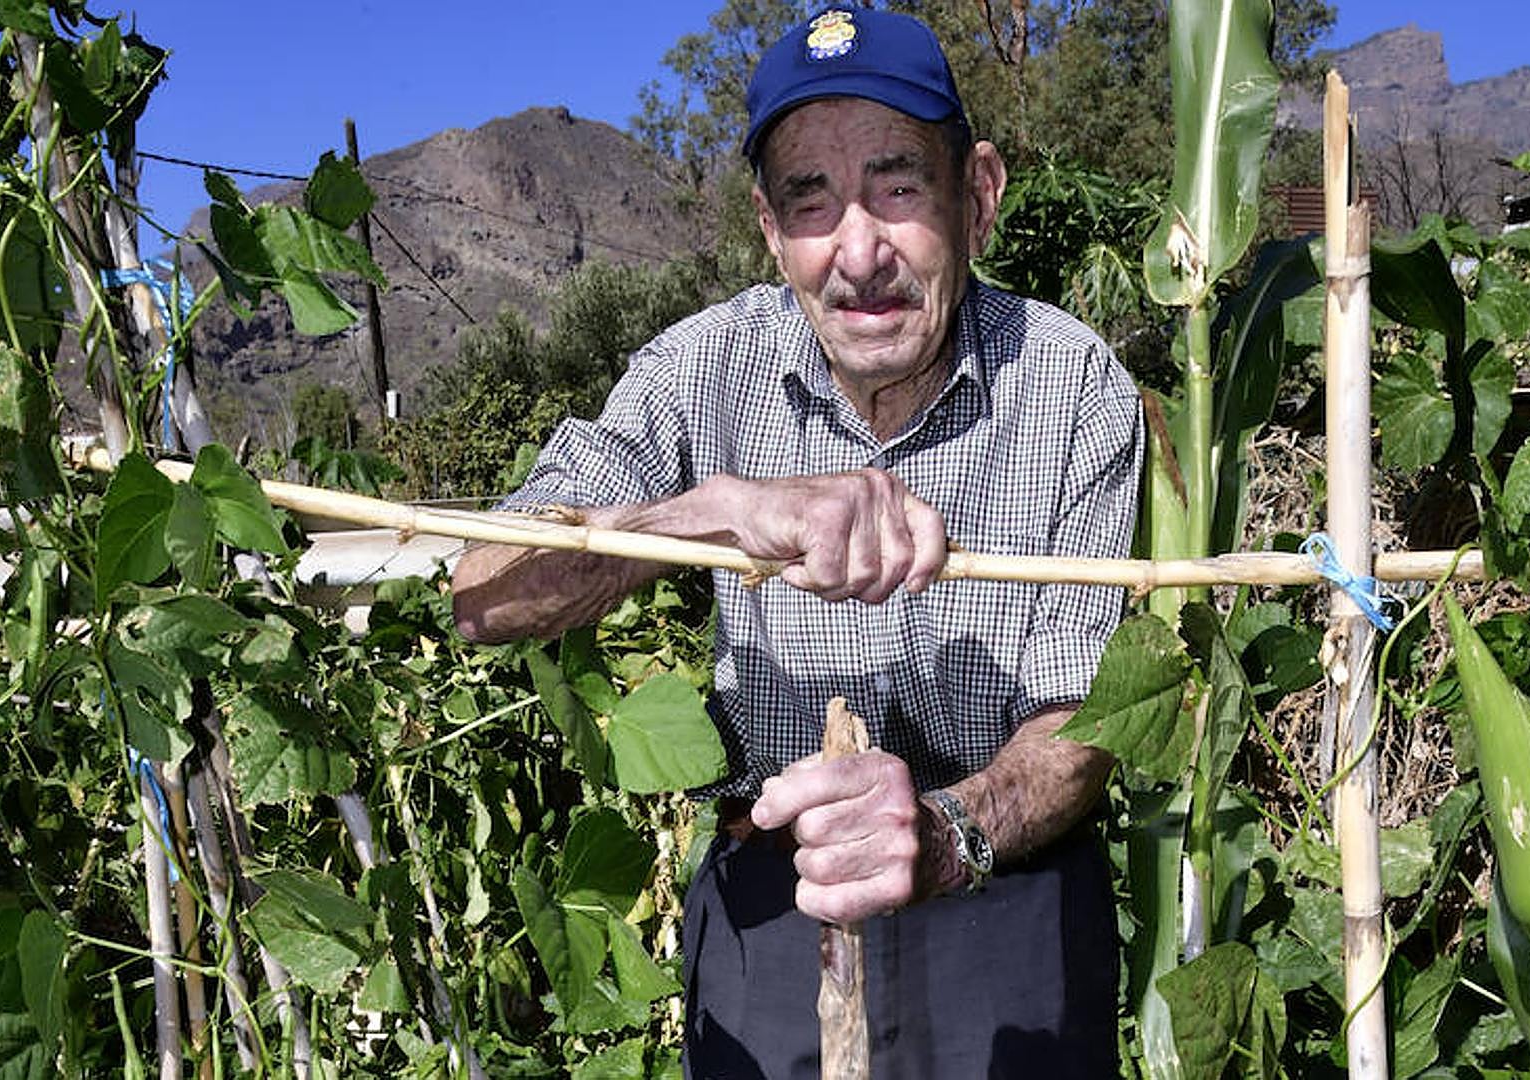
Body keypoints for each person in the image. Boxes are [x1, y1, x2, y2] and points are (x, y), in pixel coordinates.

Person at [452, 8, 1142, 1076]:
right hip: (766, 920)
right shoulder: (699, 369)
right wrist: (725, 513)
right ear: (770, 231)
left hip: (999, 896)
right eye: (808, 200)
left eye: (897, 184)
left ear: (980, 195)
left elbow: (1082, 721)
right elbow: (483, 594)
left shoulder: (1071, 382)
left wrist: (939, 833)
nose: (856, 250)